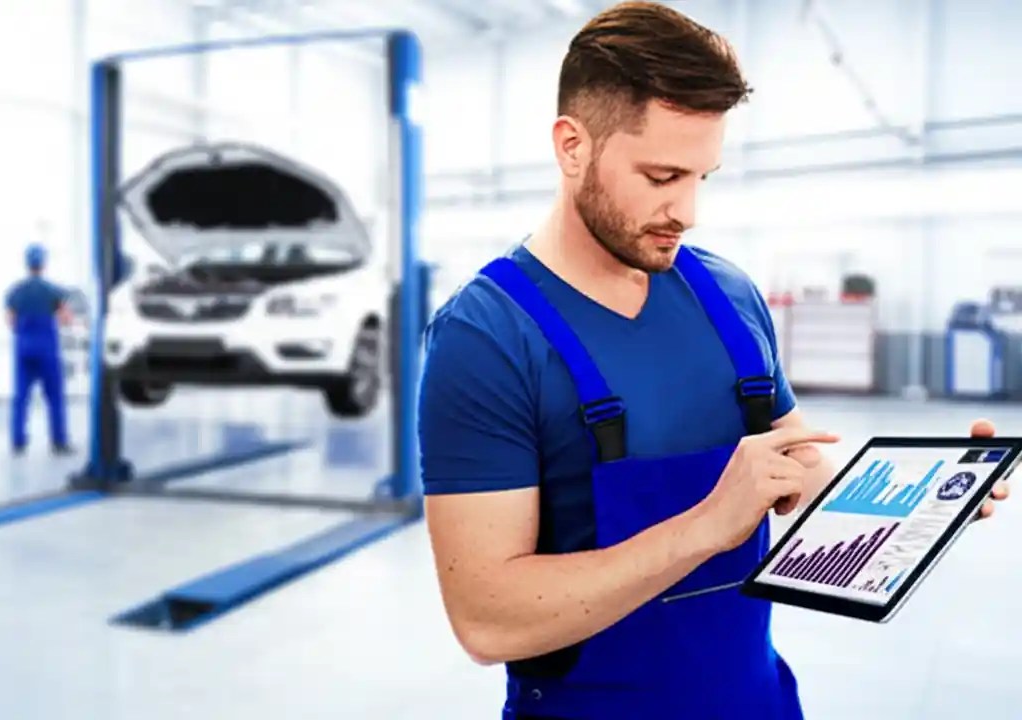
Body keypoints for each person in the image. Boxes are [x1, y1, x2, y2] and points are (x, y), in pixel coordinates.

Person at [417, 3, 1010, 719]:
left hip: (755, 701)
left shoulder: (728, 296)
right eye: (662, 175)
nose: (688, 210)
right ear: (572, 147)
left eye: (703, 176)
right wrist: (707, 525)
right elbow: (487, 619)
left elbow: (798, 469)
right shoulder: (485, 337)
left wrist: (924, 506)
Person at [6, 244, 74, 456]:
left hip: (23, 349)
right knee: (54, 396)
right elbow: (66, 319)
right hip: (47, 349)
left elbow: (10, 321)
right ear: (43, 263)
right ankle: (59, 442)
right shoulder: (53, 291)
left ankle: (18, 442)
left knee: (20, 397)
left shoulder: (15, 292)